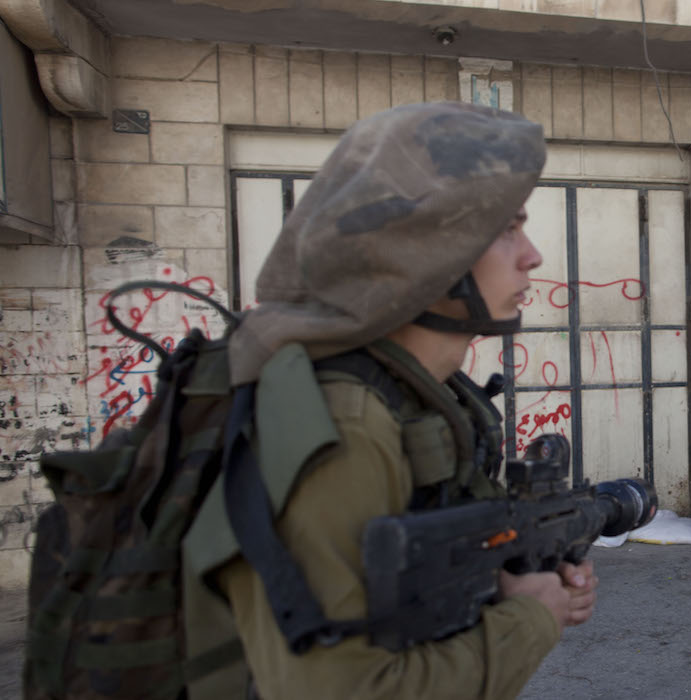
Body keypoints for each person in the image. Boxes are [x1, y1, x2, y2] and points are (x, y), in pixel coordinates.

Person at [184, 103, 597, 699]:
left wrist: (516, 585)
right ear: (428, 253)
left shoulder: (418, 394)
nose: (532, 255)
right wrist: (532, 619)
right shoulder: (344, 424)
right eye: (506, 229)